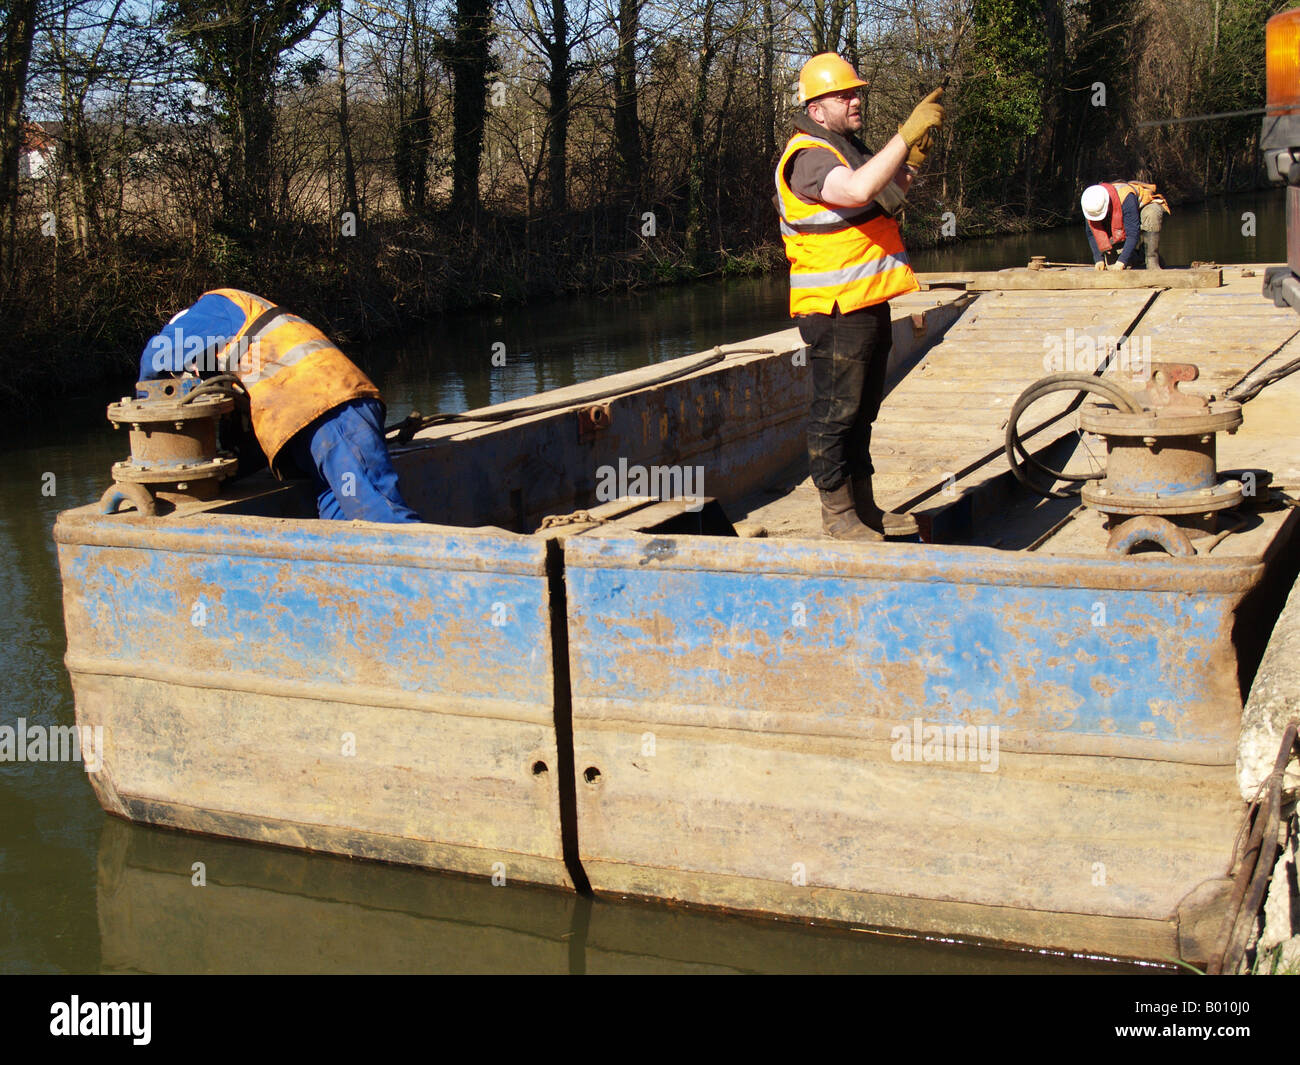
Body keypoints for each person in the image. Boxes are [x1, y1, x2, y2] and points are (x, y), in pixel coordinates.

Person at [774, 53, 943, 541]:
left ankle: (864, 507)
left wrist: (910, 159)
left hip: (866, 301)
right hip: (833, 309)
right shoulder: (808, 156)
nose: (855, 100)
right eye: (843, 94)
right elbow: (855, 191)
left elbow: (887, 195)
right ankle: (838, 515)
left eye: (856, 92)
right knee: (835, 412)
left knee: (863, 410)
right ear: (816, 106)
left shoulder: (845, 146)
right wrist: (903, 136)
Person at [138, 288, 421, 522]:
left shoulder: (212, 309)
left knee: (380, 518)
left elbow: (156, 356)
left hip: (328, 408)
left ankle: (428, 582)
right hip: (309, 423)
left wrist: (145, 403)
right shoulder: (241, 336)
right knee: (345, 527)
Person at [1081, 181, 1171, 270]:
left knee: (1151, 214)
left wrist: (1122, 261)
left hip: (1143, 208)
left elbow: (1132, 233)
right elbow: (1091, 233)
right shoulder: (1090, 204)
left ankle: (1152, 260)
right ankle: (1142, 254)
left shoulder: (1126, 198)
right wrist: (1098, 259)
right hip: (1122, 217)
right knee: (1113, 266)